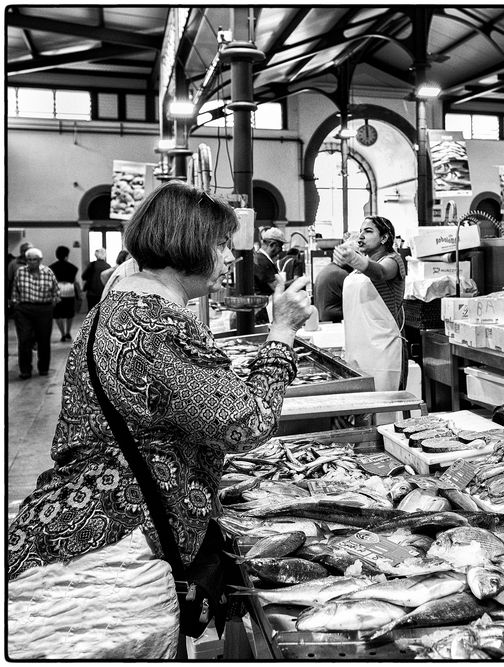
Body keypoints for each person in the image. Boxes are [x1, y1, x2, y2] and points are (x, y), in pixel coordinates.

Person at [6, 181, 313, 659]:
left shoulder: (125, 299)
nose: (229, 257)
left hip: (96, 525)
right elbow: (246, 422)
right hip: (117, 549)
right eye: (221, 244)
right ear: (187, 244)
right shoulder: (151, 320)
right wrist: (282, 334)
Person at [333, 215, 407, 391]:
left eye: (368, 231)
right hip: (357, 348)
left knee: (383, 412)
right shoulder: (359, 270)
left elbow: (380, 273)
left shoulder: (393, 260)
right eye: (360, 231)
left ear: (384, 237)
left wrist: (356, 259)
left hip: (383, 353)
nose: (360, 236)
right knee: (363, 411)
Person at [10, 247, 60, 379]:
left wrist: (51, 304)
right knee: (24, 339)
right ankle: (25, 370)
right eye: (29, 260)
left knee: (43, 340)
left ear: (40, 260)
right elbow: (14, 289)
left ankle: (43, 368)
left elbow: (56, 291)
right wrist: (16, 304)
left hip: (43, 309)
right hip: (24, 309)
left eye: (34, 260)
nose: (31, 262)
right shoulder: (21, 272)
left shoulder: (47, 272)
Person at [253, 226, 286, 325]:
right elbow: (277, 287)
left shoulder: (260, 259)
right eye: (280, 246)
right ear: (272, 244)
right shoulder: (263, 261)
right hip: (262, 311)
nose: (281, 250)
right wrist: (297, 282)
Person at [49, 245, 81, 342]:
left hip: (57, 291)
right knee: (69, 313)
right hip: (69, 290)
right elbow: (75, 282)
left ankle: (62, 334)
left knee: (57, 314)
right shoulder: (73, 267)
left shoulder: (51, 267)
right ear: (67, 255)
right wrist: (79, 293)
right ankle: (68, 332)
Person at [81, 247, 111, 311]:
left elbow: (83, 277)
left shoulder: (92, 265)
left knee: (91, 311)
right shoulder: (108, 266)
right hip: (103, 292)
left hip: (92, 293)